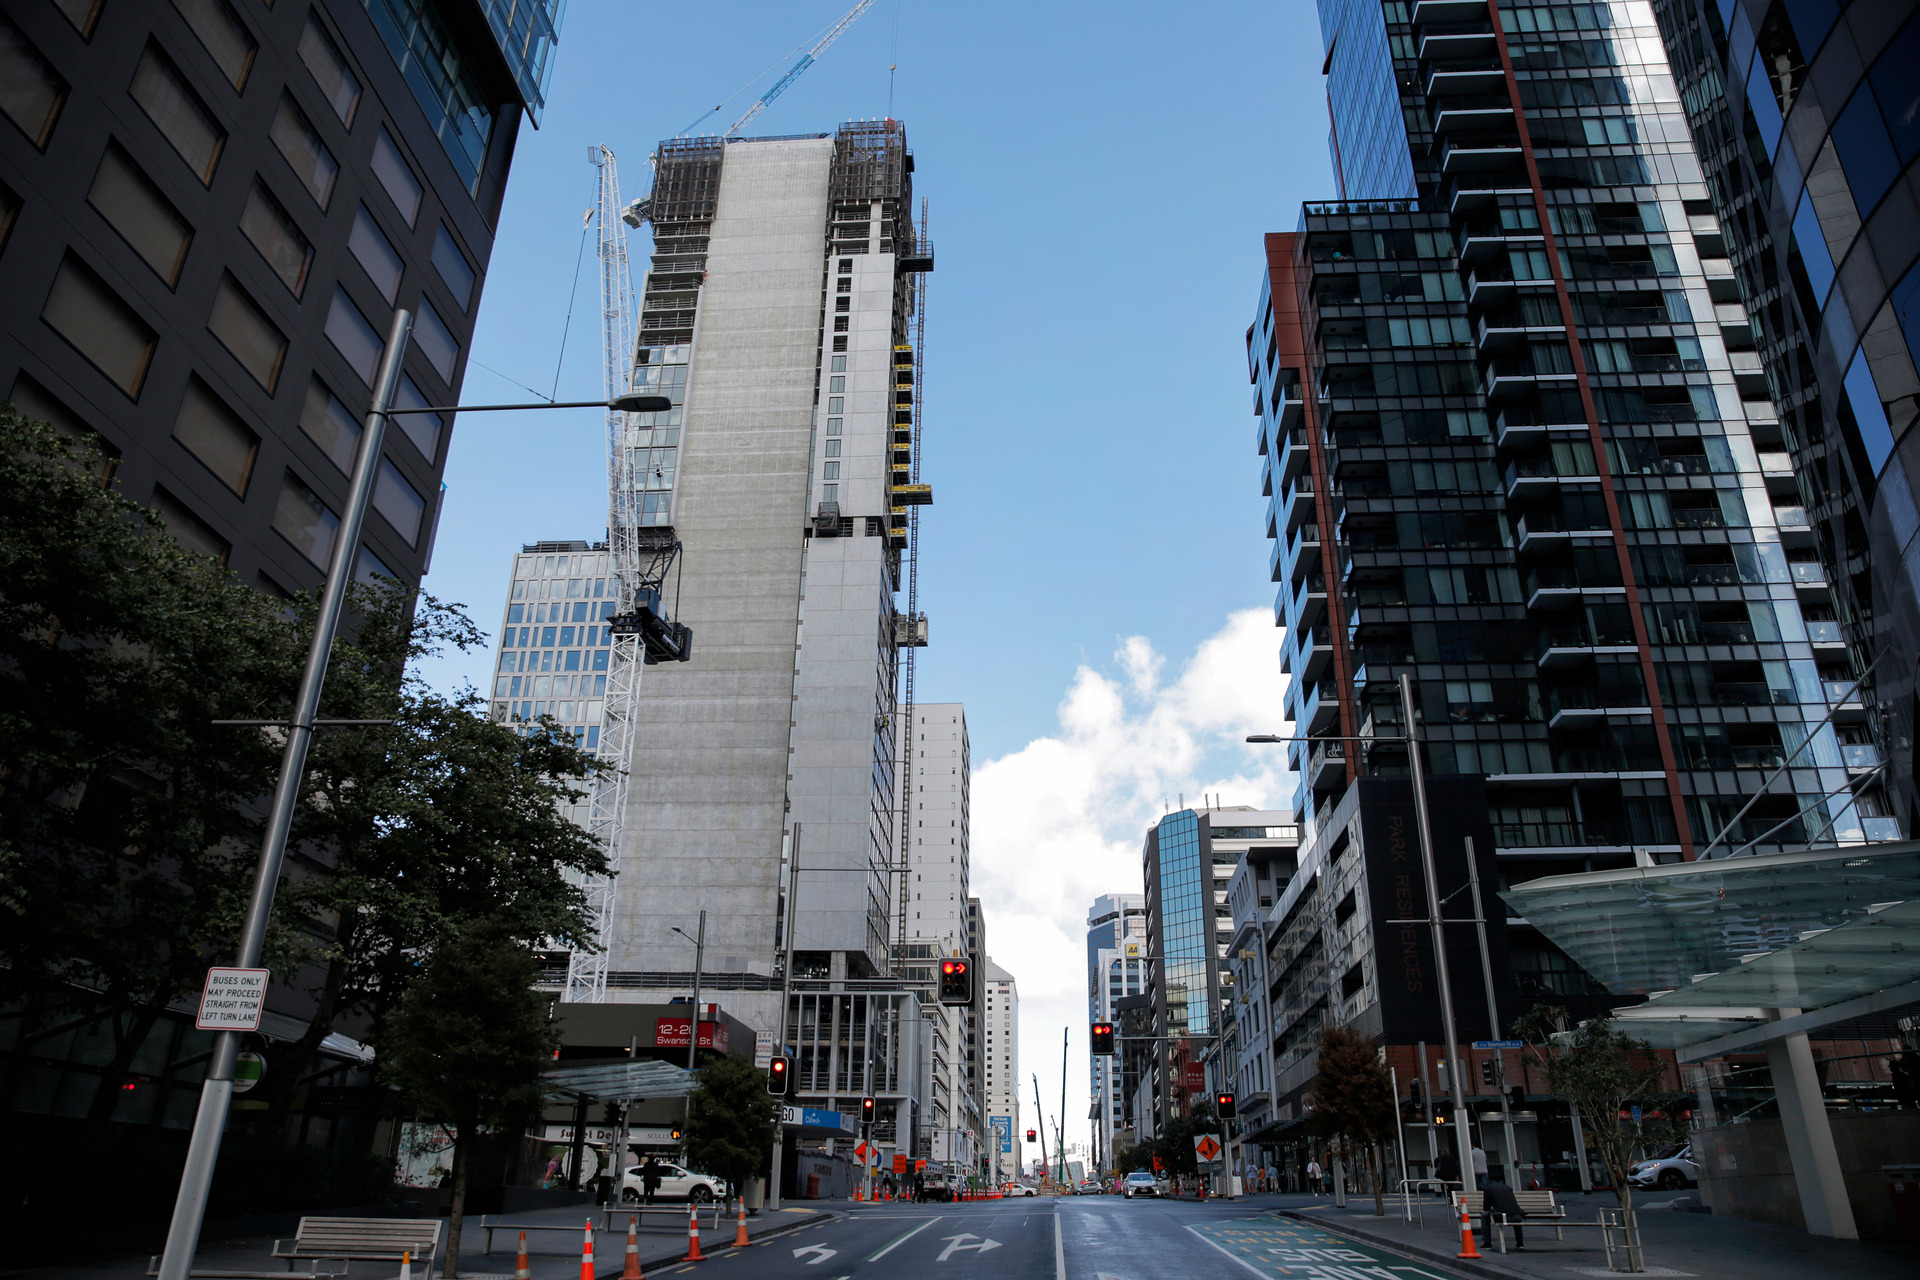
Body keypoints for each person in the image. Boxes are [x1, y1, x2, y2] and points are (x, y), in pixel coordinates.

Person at [1481, 1176, 1526, 1251]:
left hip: (1502, 1215)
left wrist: (1492, 1209)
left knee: (1484, 1216)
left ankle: (1487, 1243)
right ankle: (1520, 1243)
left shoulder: (1488, 1189)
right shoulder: (1507, 1187)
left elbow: (1486, 1207)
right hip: (1516, 1215)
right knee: (1517, 1221)